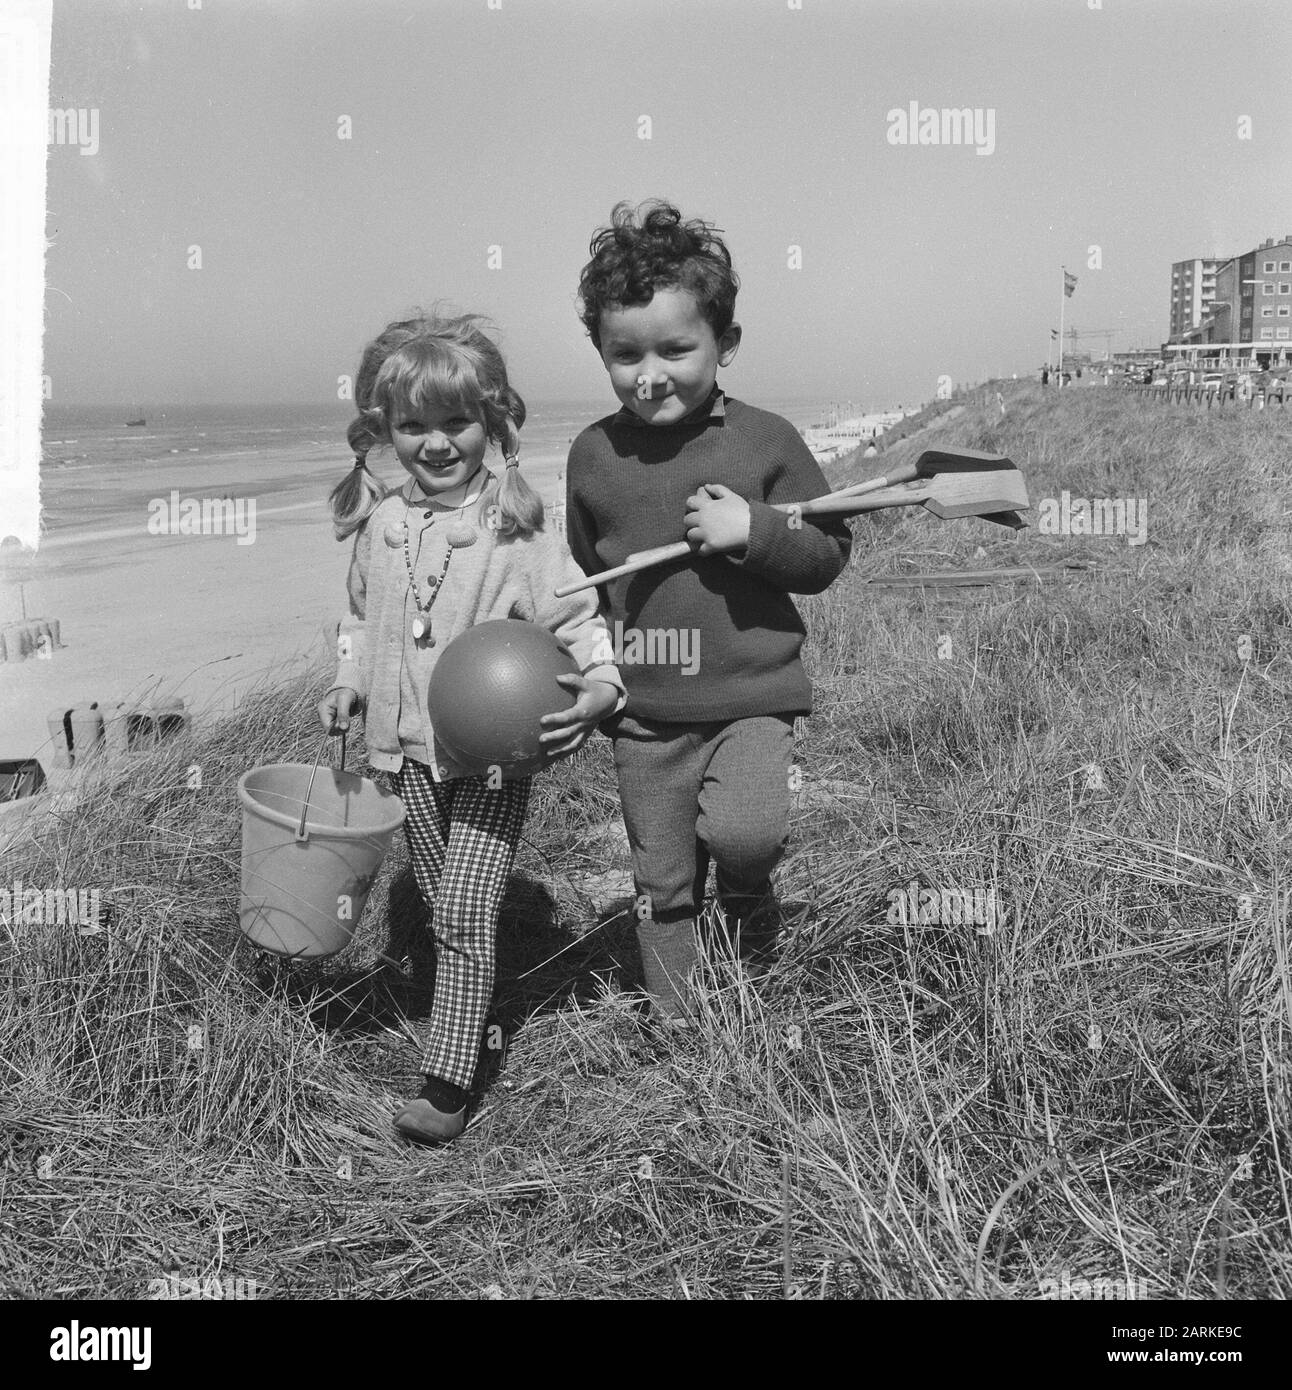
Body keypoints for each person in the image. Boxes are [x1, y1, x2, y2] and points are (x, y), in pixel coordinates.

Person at [319, 312, 625, 1142]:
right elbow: (359, 620)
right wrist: (349, 681)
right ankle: (451, 1000)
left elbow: (574, 614)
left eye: (456, 421)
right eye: (412, 425)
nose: (437, 441)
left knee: (461, 907)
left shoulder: (517, 523)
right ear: (384, 430)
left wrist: (601, 682)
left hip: (489, 758)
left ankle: (448, 1083)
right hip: (402, 757)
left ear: (491, 420)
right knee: (429, 889)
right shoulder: (382, 524)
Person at [564, 201, 851, 1024]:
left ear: (724, 343)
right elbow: (589, 573)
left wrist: (753, 532)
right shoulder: (592, 455)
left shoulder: (767, 442)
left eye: (676, 349)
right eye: (625, 354)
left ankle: (751, 935)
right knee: (661, 876)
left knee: (745, 836)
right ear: (601, 352)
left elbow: (827, 557)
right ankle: (684, 1030)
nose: (649, 373)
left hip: (753, 697)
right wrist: (598, 672)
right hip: (645, 713)